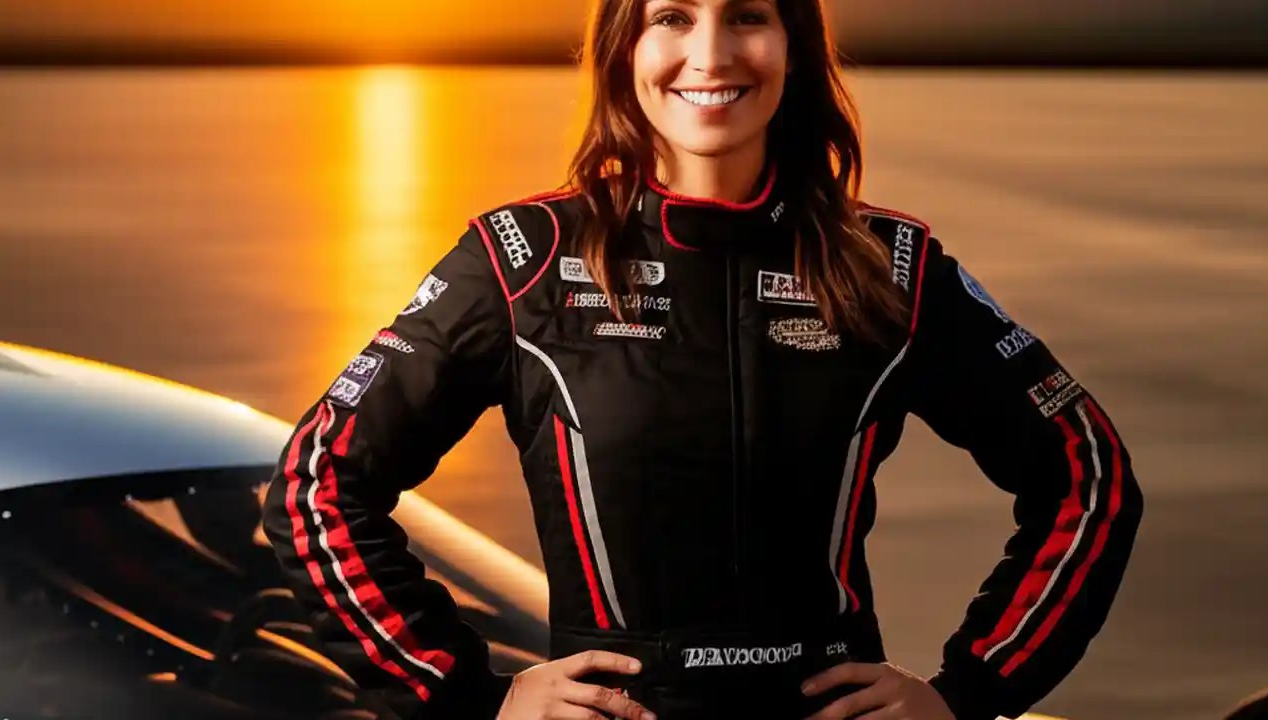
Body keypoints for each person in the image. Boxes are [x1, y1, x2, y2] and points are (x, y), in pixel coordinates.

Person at [261, 0, 1144, 718]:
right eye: (673, 17)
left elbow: (1090, 474)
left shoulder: (893, 268)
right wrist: (466, 697)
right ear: (623, 47)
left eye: (747, 16)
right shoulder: (521, 258)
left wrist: (968, 692)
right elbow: (315, 484)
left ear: (794, 45)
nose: (712, 54)